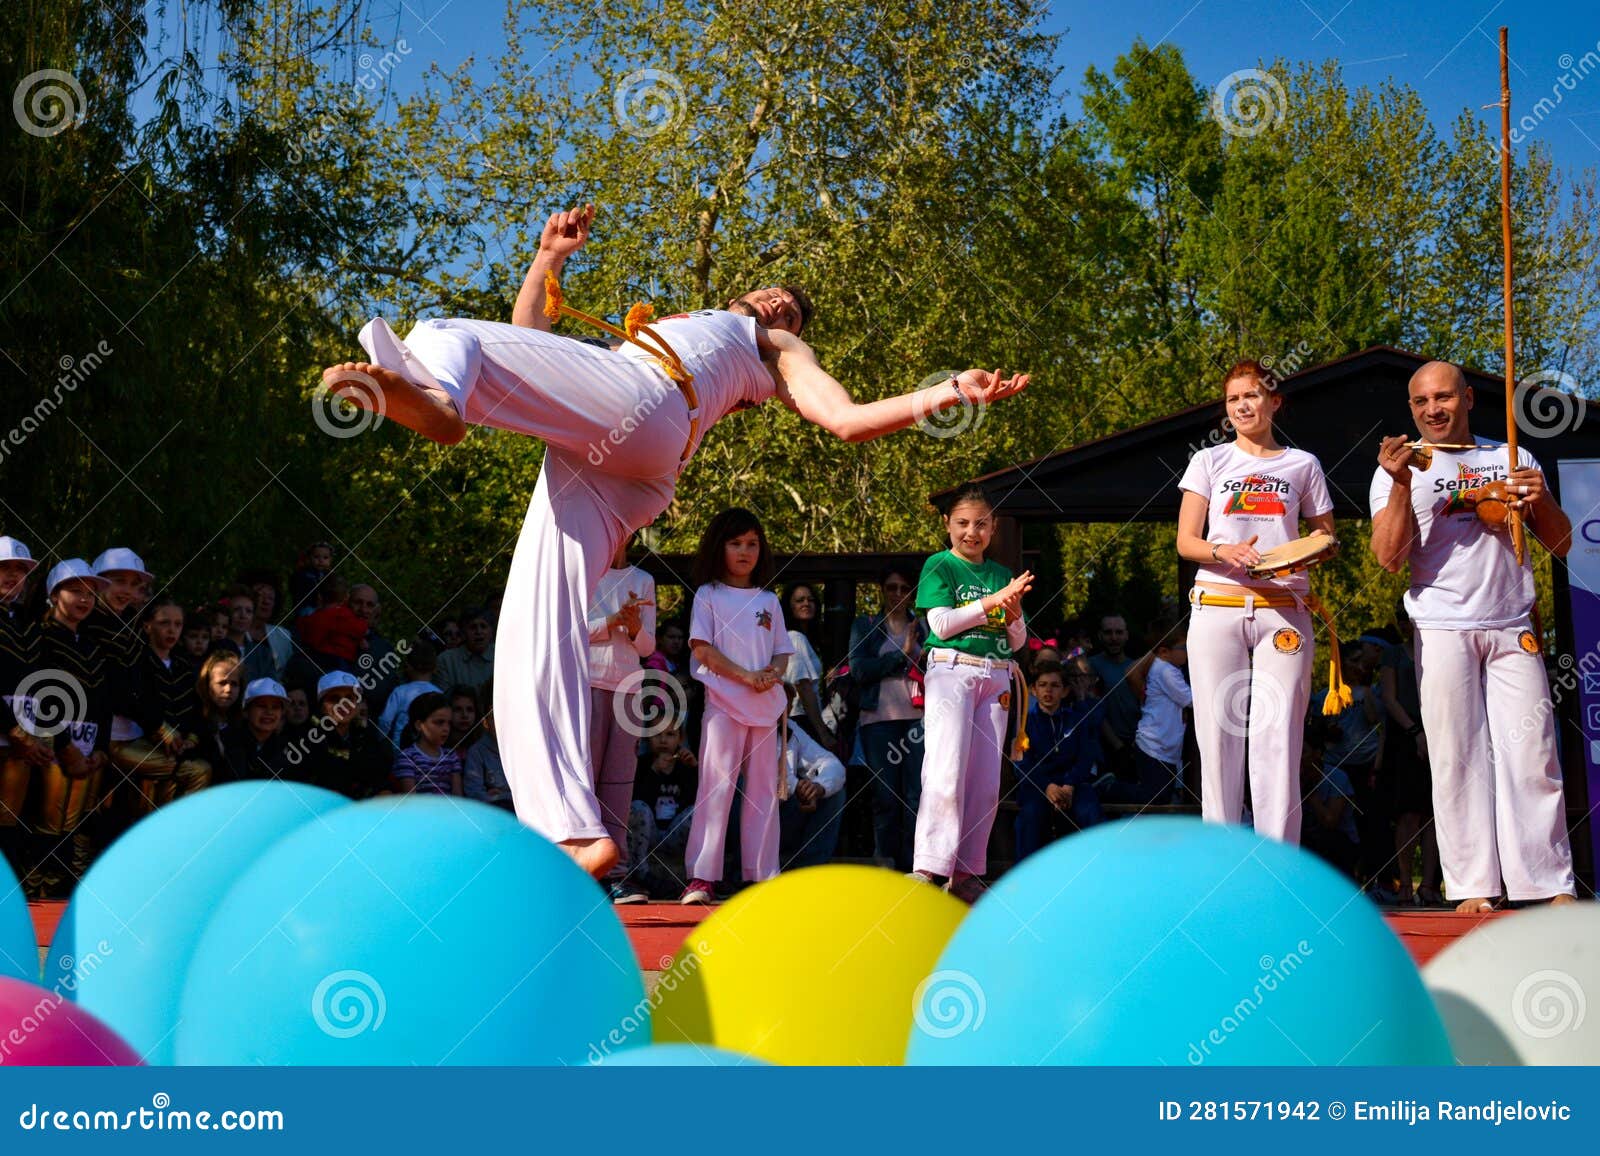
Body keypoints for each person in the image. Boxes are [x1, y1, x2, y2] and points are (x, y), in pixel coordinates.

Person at [322, 202, 1029, 878]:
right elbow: (531, 340)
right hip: (621, 459)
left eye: (794, 311)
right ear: (744, 289)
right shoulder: (681, 324)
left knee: (448, 331)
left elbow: (842, 417)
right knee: (530, 632)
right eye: (776, 294)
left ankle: (441, 401)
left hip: (649, 407)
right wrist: (546, 261)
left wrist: (942, 395)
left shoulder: (767, 345)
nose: (783, 305)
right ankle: (571, 833)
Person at [1370, 359, 1577, 912]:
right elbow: (1388, 558)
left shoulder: (1511, 455)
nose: (1433, 409)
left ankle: (1547, 881)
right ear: (1412, 409)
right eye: (1421, 402)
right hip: (1442, 625)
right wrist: (1399, 486)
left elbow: (1561, 546)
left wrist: (1541, 501)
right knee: (1455, 757)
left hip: (1511, 623)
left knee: (1533, 754)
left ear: (1467, 399)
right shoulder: (1403, 464)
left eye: (1443, 397)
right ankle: (1472, 887)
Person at [1177, 359, 1337, 843]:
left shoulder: (1302, 463)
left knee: (1279, 738)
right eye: (1233, 399)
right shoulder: (1209, 461)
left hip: (1282, 609)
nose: (1242, 405)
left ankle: (1279, 866)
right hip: (1218, 605)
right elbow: (1186, 540)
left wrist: (1296, 555)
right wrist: (1224, 549)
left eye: (1251, 395)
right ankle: (1222, 863)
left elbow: (1326, 536)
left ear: (1274, 402)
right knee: (1217, 736)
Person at [909, 483, 1031, 903]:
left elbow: (1018, 641)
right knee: (945, 770)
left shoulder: (1000, 574)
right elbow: (940, 625)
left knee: (985, 781)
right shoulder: (939, 566)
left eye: (980, 524)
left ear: (993, 527)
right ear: (947, 525)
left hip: (996, 675)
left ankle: (967, 870)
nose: (971, 532)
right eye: (962, 523)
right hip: (952, 671)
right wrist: (992, 602)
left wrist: (1011, 613)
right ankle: (929, 865)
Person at [678, 509, 793, 904]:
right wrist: (746, 677)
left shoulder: (769, 600)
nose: (745, 552)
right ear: (719, 547)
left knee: (762, 791)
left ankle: (762, 877)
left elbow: (781, 652)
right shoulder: (707, 594)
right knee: (716, 788)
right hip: (724, 704)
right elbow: (703, 650)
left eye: (752, 544)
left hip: (764, 707)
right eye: (735, 543)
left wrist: (771, 676)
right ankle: (702, 877)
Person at [25, 560, 117, 896]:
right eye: (75, 590)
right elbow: (39, 693)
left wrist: (101, 749)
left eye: (90, 592)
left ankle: (61, 894)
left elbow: (104, 703)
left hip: (89, 748)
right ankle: (33, 897)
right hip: (54, 744)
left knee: (73, 826)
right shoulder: (41, 637)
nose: (84, 598)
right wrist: (64, 745)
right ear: (54, 594)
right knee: (45, 822)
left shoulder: (92, 645)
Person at [587, 538, 657, 904]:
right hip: (588, 684)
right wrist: (611, 621)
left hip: (629, 689)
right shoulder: (581, 574)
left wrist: (632, 627)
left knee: (619, 786)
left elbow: (647, 647)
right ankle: (586, 874)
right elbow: (566, 633)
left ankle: (616, 875)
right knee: (585, 781)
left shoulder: (643, 579)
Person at [848, 565, 927, 872]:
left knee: (916, 795)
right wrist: (902, 654)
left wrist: (916, 654)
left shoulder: (923, 627)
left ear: (911, 594)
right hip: (878, 721)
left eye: (903, 588)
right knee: (884, 795)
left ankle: (915, 866)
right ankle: (885, 863)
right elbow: (858, 671)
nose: (896, 593)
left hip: (918, 720)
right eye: (891, 587)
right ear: (882, 590)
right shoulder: (865, 625)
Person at [119, 595, 212, 821]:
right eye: (164, 623)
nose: (172, 630)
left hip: (176, 748)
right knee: (192, 770)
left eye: (178, 624)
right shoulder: (136, 660)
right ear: (147, 625)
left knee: (194, 770)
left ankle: (180, 830)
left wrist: (190, 739)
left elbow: (196, 711)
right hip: (133, 743)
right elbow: (135, 703)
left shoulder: (184, 667)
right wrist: (163, 733)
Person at [1380, 599, 1442, 906]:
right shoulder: (1392, 654)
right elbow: (1389, 699)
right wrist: (1415, 733)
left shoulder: (1439, 649)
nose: (1406, 623)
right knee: (1408, 814)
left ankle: (1429, 885)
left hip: (1440, 734)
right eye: (1401, 617)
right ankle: (1405, 883)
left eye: (1410, 617)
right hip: (1406, 739)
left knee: (1436, 814)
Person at [1013, 660, 1103, 862]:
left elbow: (1086, 757)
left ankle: (1099, 869)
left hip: (1073, 784)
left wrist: (1070, 785)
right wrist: (1047, 787)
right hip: (1038, 785)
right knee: (1030, 816)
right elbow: (1023, 763)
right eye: (1043, 685)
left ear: (1064, 691)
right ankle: (1026, 878)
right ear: (1033, 690)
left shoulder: (1077, 719)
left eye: (1055, 685)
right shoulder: (1025, 723)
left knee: (1090, 812)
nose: (1049, 691)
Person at [1101, 618, 1192, 807]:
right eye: (1183, 648)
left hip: (1163, 747)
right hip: (1154, 746)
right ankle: (1109, 788)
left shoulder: (1167, 668)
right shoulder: (1165, 670)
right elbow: (1189, 700)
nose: (1187, 652)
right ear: (1164, 652)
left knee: (1162, 797)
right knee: (1155, 797)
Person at [1325, 640, 1387, 896]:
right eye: (1354, 660)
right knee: (1340, 826)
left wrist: (1367, 691)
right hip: (1339, 766)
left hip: (1366, 766)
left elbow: (1376, 722)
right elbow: (1323, 732)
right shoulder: (1327, 695)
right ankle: (1340, 881)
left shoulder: (1370, 693)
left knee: (1370, 824)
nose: (1359, 666)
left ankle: (1374, 880)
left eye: (1363, 660)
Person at [0, 537, 40, 879]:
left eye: (20, 570)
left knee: (9, 822)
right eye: (4, 569)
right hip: (7, 733)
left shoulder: (23, 622)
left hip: (19, 742)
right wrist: (8, 726)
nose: (13, 576)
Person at [629, 720, 699, 898]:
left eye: (670, 735)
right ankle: (640, 872)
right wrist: (653, 771)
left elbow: (691, 802)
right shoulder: (642, 765)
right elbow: (637, 799)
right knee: (637, 807)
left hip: (673, 833)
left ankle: (696, 872)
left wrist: (693, 770)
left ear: (680, 739)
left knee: (697, 812)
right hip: (650, 833)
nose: (663, 740)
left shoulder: (685, 766)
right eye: (657, 734)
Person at [778, 690, 848, 870]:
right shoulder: (748, 728)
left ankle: (811, 868)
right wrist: (797, 788)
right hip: (754, 822)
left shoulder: (791, 727)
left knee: (834, 791)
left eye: (787, 702)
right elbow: (761, 775)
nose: (784, 707)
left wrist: (818, 788)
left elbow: (831, 764)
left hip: (784, 816)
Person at [296, 671, 390, 799]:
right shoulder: (306, 740)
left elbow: (380, 784)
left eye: (350, 698)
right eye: (334, 699)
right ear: (321, 706)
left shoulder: (367, 738)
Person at [1300, 717, 1359, 878]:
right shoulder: (1288, 777)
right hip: (1307, 840)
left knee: (1326, 840)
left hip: (1338, 842)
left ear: (1318, 753)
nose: (1298, 757)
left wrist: (1309, 794)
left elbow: (1330, 822)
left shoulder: (1337, 777)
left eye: (1303, 752)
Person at [782, 583, 836, 748]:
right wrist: (822, 733)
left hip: (802, 718)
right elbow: (804, 687)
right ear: (788, 606)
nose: (806, 603)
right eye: (799, 600)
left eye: (811, 600)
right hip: (800, 718)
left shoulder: (805, 639)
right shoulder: (795, 638)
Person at [1087, 615, 1139, 777]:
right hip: (1106, 746)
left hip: (1138, 744)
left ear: (1127, 635)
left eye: (1119, 632)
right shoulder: (1091, 666)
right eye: (1108, 632)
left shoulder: (1137, 666)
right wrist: (1118, 745)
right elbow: (1093, 708)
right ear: (1100, 636)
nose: (1114, 638)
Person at [218, 678, 294, 784]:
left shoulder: (285, 748)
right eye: (262, 706)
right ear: (245, 711)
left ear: (282, 714)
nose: (269, 712)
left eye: (275, 707)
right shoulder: (225, 741)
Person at [390, 691, 463, 796]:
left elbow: (458, 798)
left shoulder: (451, 757)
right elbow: (411, 799)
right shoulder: (407, 758)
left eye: (449, 723)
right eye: (439, 722)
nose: (446, 728)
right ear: (419, 725)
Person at [376, 639, 441, 747]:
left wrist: (380, 741)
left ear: (408, 667)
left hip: (402, 752)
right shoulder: (440, 694)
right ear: (434, 668)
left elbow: (385, 721)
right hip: (431, 752)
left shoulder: (400, 691)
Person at [463, 682, 513, 811]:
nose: (502, 722)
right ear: (485, 722)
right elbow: (473, 792)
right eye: (495, 717)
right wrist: (491, 798)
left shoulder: (521, 749)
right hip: (493, 811)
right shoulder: (477, 752)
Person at [436, 607, 495, 692]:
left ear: (491, 632)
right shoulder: (446, 660)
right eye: (473, 627)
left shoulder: (504, 656)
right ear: (463, 632)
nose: (478, 631)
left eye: (483, 626)